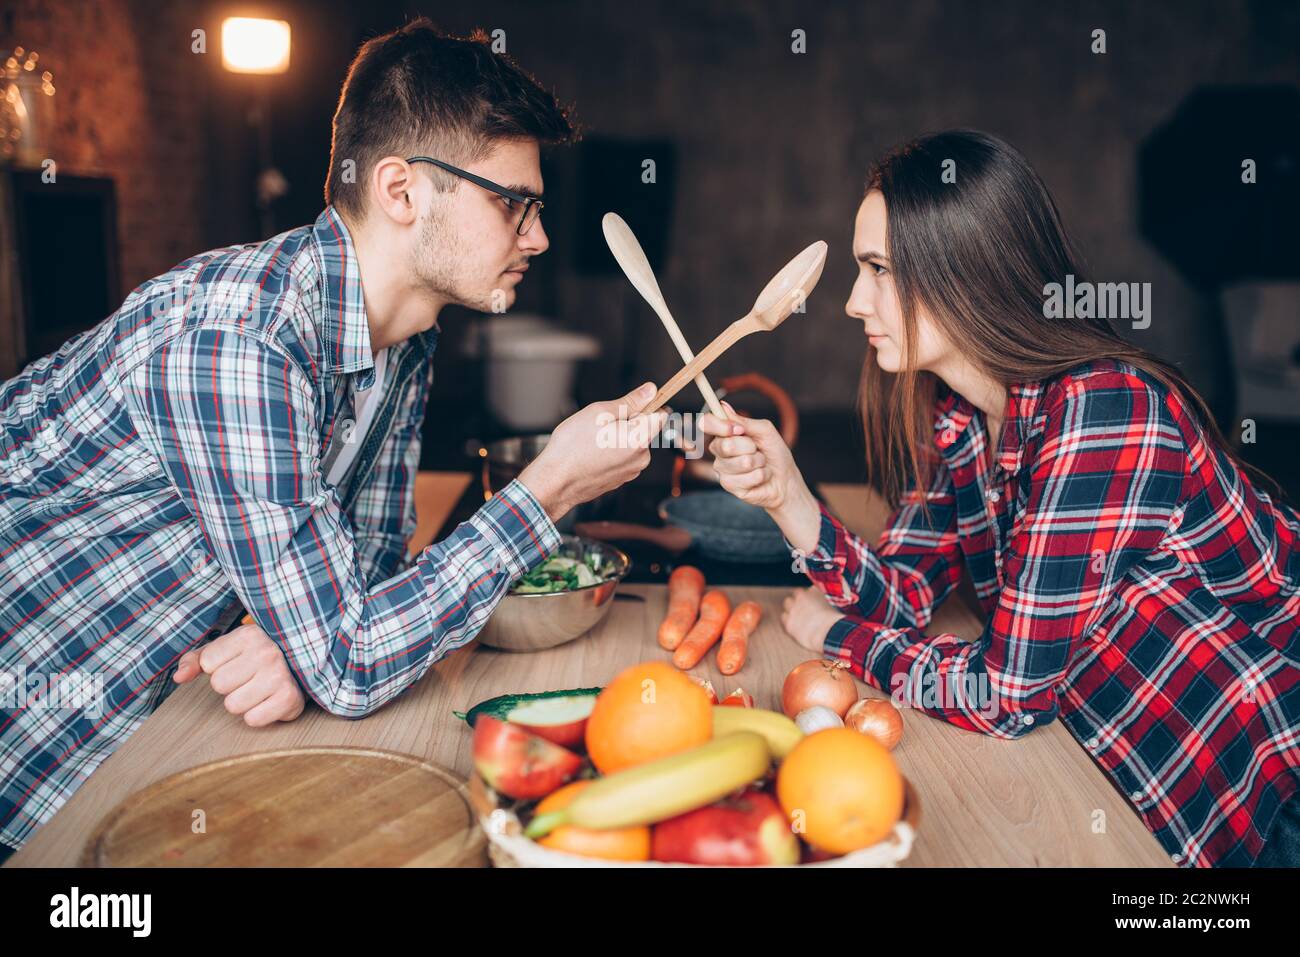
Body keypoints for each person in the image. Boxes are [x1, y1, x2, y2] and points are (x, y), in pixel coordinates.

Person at [0, 20, 665, 857]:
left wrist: (299, 645)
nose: (534, 236)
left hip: (168, 723)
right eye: (512, 203)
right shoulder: (241, 339)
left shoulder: (406, 338)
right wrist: (551, 487)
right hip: (43, 757)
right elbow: (351, 661)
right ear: (399, 191)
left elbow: (368, 575)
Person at [700, 130, 1300, 868]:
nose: (854, 302)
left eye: (879, 269)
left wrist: (838, 639)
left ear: (968, 273)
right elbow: (905, 596)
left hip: (1257, 796)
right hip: (1117, 776)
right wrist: (787, 497)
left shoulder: (1104, 411)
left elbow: (1006, 695)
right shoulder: (955, 412)